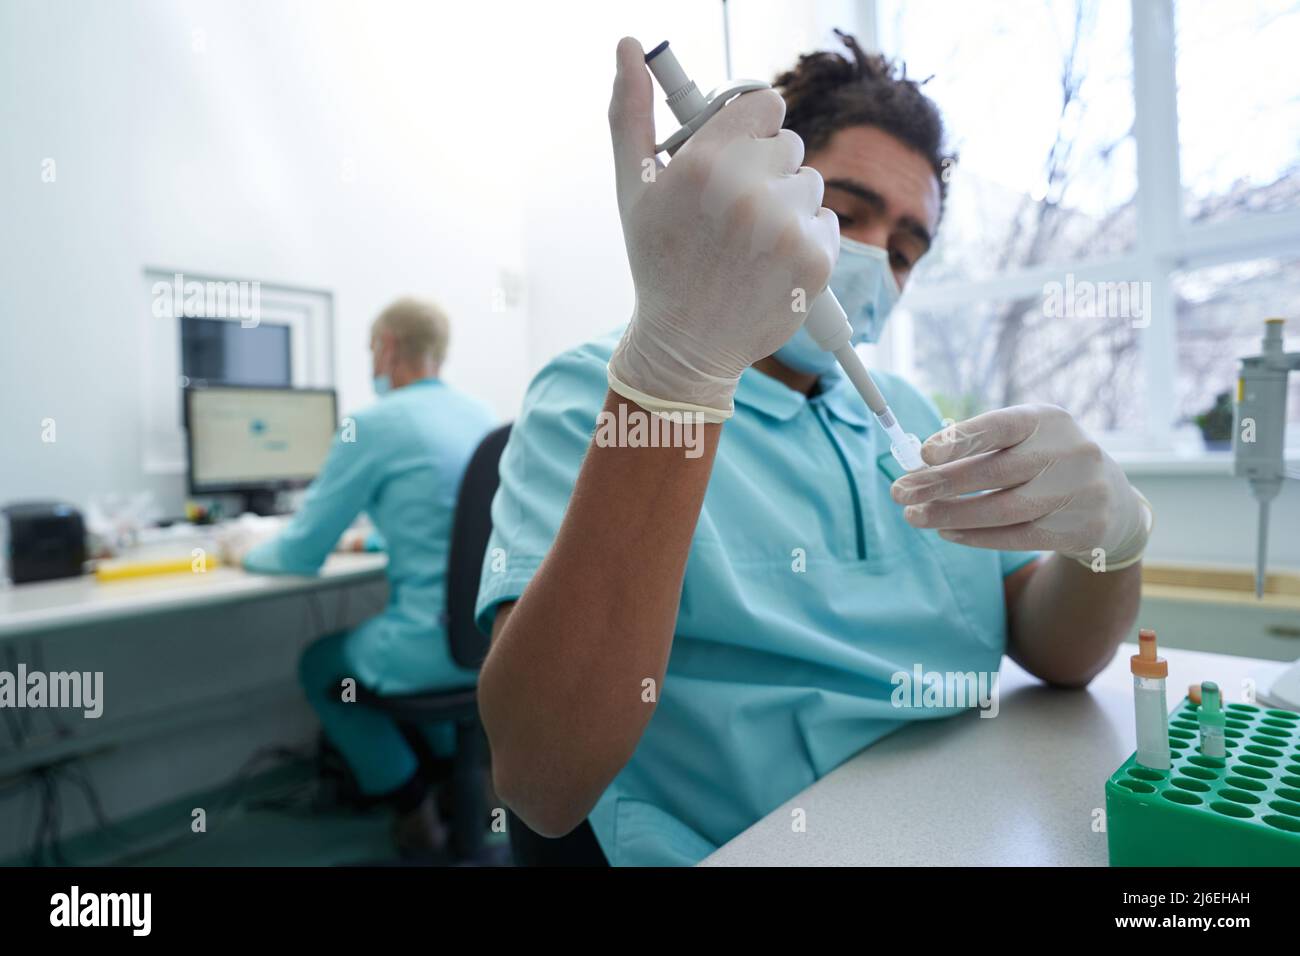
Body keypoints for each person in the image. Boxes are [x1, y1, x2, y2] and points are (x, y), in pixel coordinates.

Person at [473, 32, 1152, 867]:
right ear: (766, 187)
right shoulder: (601, 394)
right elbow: (541, 781)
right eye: (846, 211)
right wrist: (677, 371)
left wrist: (1113, 543)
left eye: (904, 249)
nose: (871, 259)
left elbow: (1057, 653)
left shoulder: (905, 411)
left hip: (979, 816)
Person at [239, 296, 496, 855]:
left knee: (319, 663)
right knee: (406, 652)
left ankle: (413, 809)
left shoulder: (374, 424)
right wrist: (372, 539)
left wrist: (241, 550)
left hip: (427, 649)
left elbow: (300, 554)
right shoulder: (481, 415)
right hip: (490, 638)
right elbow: (453, 522)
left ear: (386, 347)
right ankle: (457, 785)